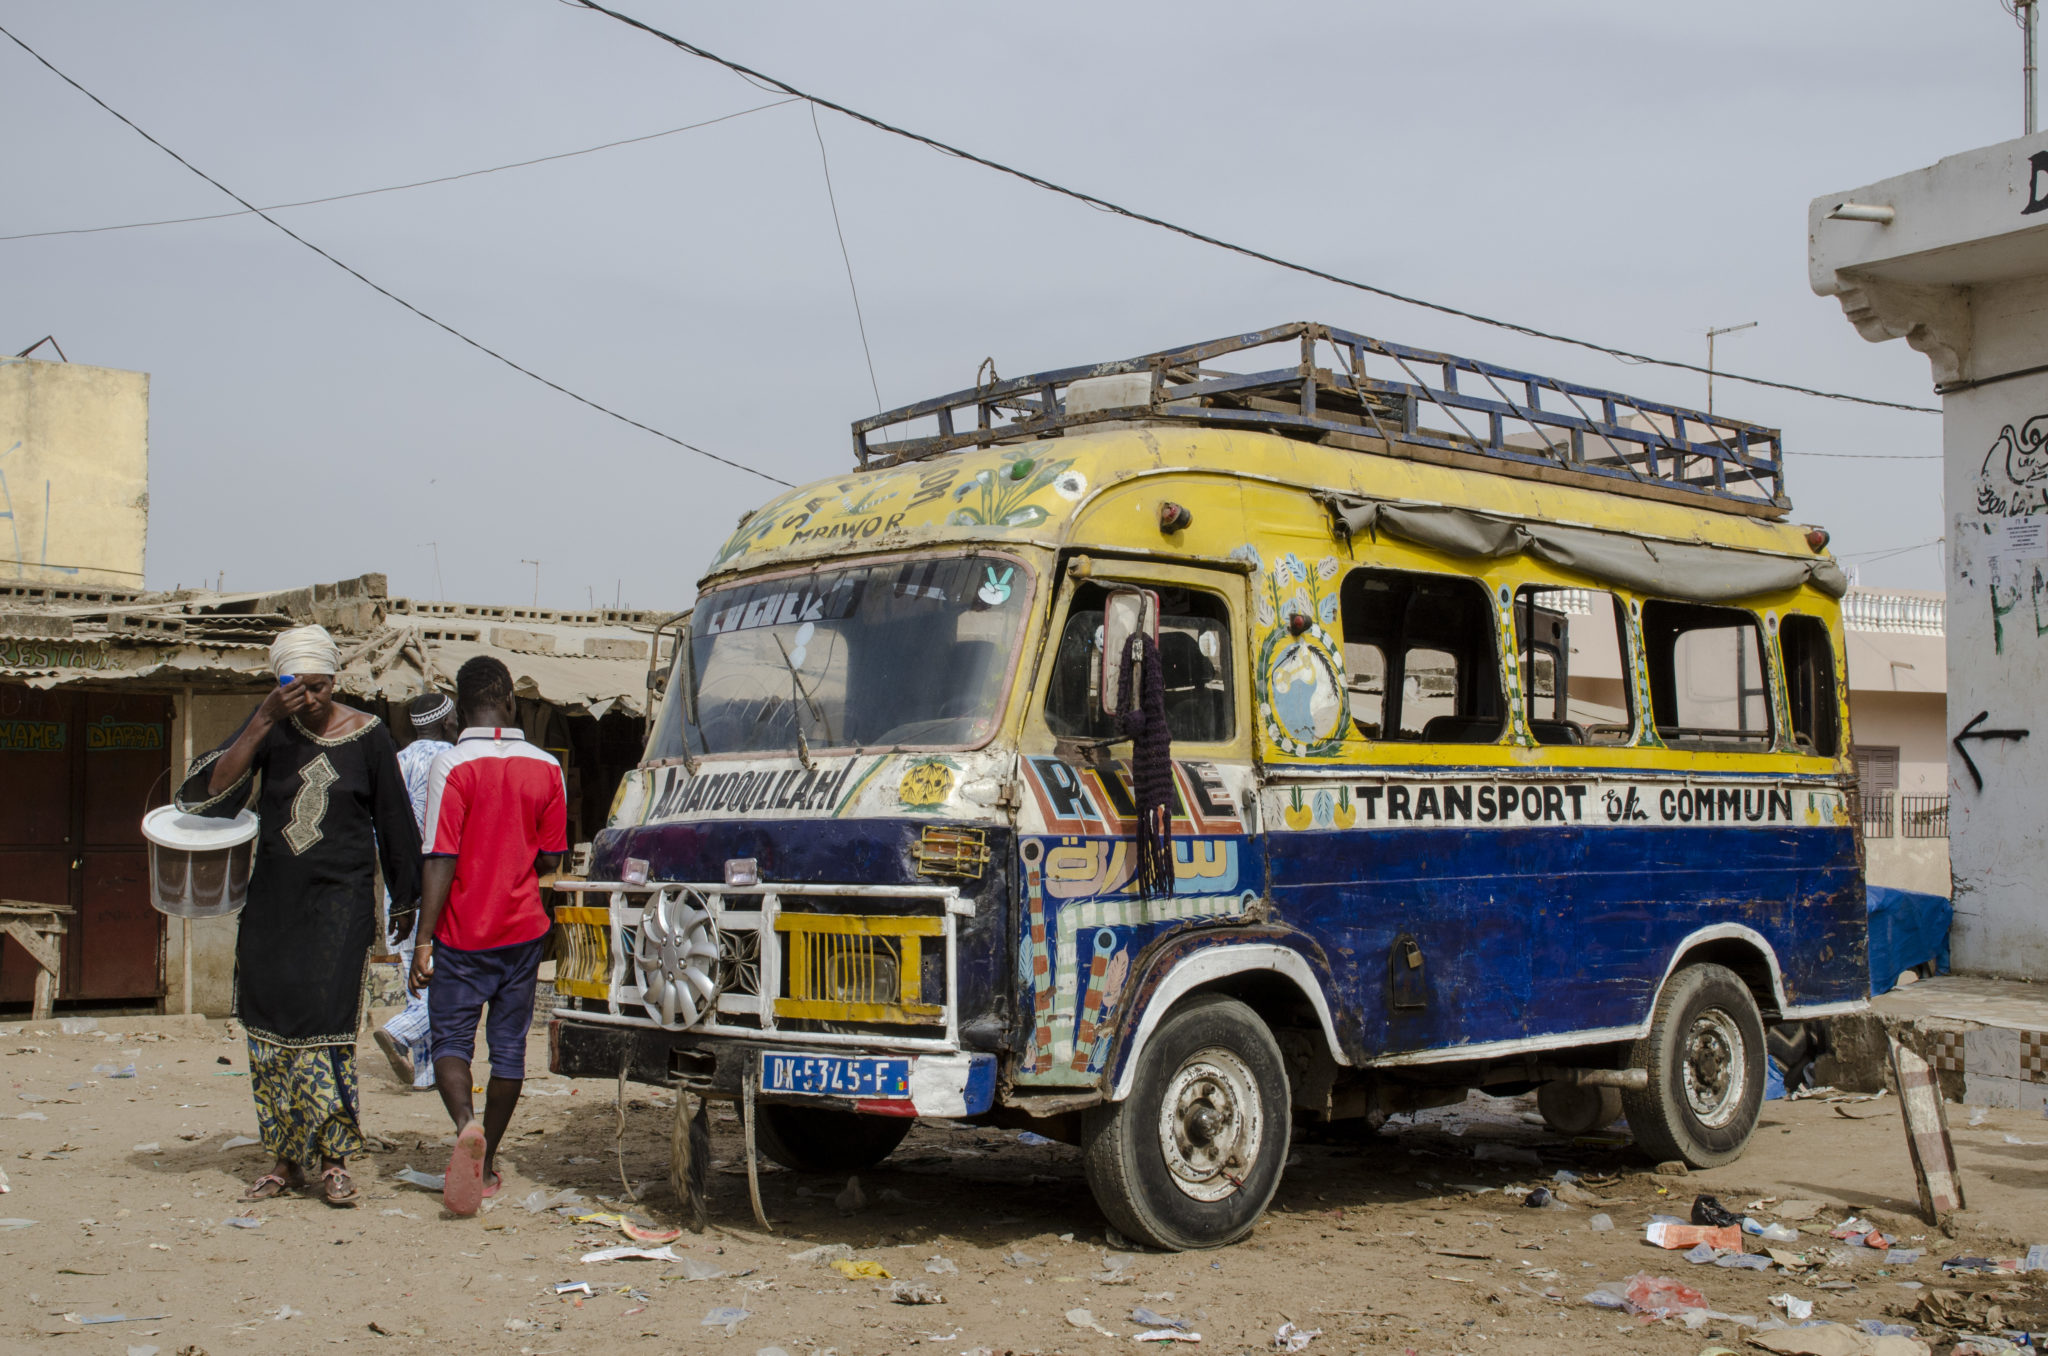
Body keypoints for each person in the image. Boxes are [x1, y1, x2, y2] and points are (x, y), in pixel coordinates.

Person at [175, 624, 420, 1207]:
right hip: (273, 904)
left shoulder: (370, 735)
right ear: (277, 683)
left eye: (318, 686)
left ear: (335, 680)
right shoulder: (272, 730)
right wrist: (260, 721)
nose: (308, 698)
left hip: (340, 903)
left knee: (325, 1030)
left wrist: (406, 904)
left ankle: (333, 1160)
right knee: (271, 1032)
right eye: (295, 687)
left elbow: (395, 824)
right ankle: (286, 1159)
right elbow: (204, 796)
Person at [409, 655, 566, 1216]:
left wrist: (422, 940)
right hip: (523, 932)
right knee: (508, 1050)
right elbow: (552, 854)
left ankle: (464, 1125)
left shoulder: (450, 765)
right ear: (511, 703)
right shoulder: (548, 767)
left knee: (450, 1042)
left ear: (459, 702)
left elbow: (439, 857)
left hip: (461, 932)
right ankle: (490, 1157)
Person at [371, 691, 462, 1091]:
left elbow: (380, 830)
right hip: (442, 880)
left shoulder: (396, 763)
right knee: (452, 976)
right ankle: (400, 1031)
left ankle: (426, 1075)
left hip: (400, 886)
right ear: (446, 722)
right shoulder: (453, 760)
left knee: (415, 974)